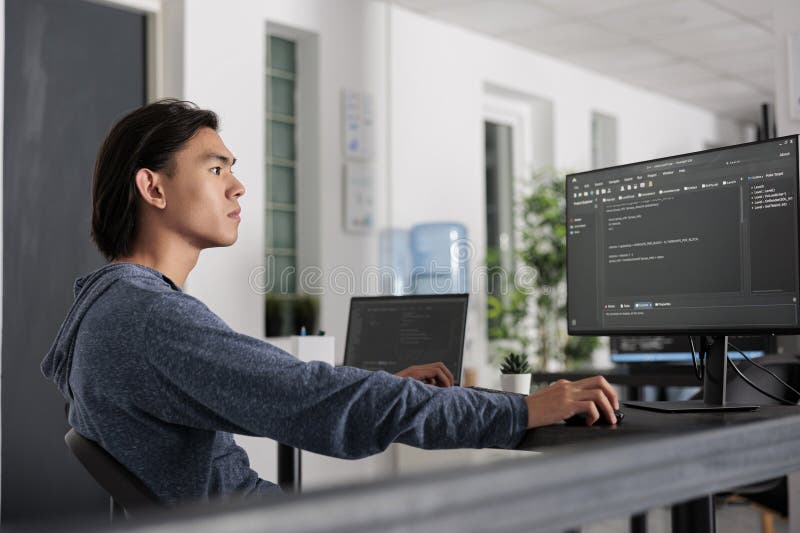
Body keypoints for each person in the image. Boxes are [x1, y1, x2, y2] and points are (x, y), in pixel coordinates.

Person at [41, 99, 619, 506]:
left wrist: (377, 386)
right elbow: (313, 400)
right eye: (215, 169)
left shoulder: (112, 308)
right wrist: (520, 410)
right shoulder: (149, 318)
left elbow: (294, 391)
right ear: (153, 187)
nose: (238, 186)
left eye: (233, 170)